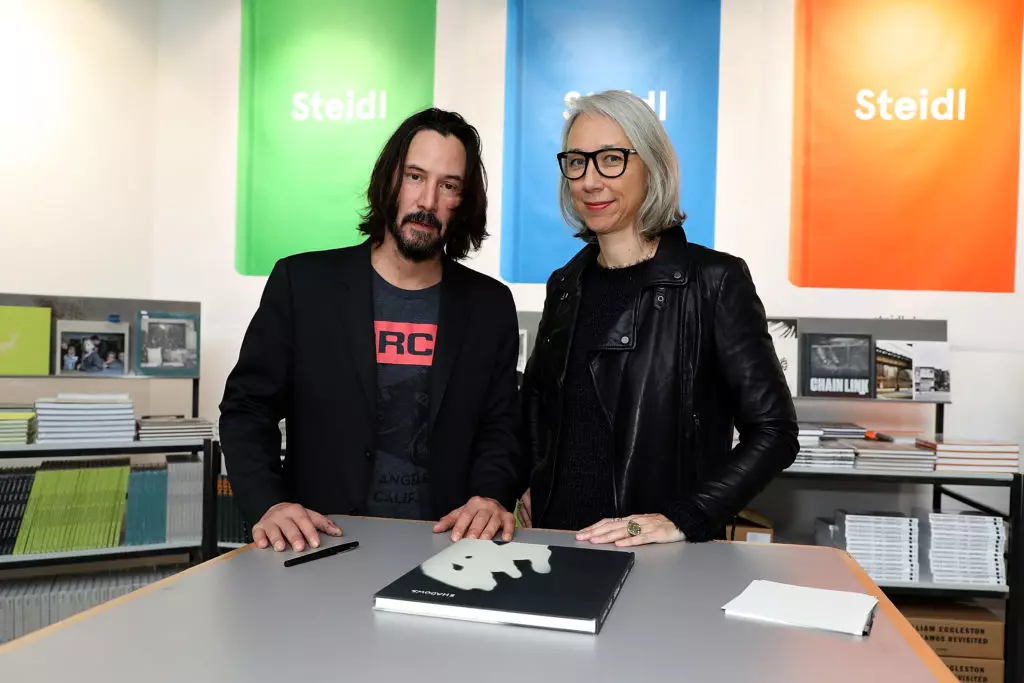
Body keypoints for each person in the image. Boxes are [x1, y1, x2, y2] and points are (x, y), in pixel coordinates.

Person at [219, 108, 526, 553]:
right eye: (414, 177)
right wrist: (269, 504)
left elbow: (501, 426)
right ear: (389, 181)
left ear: (464, 202)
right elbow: (248, 407)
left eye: (448, 185)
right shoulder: (303, 284)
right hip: (320, 545)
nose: (427, 201)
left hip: (447, 549)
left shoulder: (489, 304)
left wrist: (492, 496)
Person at [517, 90, 798, 547]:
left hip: (655, 559)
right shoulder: (564, 285)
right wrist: (530, 483)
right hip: (557, 545)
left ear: (651, 166)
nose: (590, 181)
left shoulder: (713, 282)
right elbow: (537, 411)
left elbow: (775, 432)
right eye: (576, 161)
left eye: (611, 159)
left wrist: (684, 517)